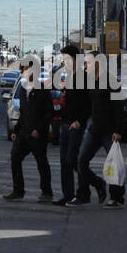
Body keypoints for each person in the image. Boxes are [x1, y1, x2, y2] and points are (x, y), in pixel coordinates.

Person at [73, 56, 126, 205]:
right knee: (81, 160)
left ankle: (117, 198)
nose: (85, 65)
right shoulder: (91, 82)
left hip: (109, 131)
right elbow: (89, 107)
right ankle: (83, 195)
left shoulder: (111, 81)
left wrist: (118, 130)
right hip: (94, 129)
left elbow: (118, 108)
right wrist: (80, 121)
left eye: (88, 63)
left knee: (114, 164)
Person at [3, 59, 52, 201]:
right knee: (15, 158)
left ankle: (46, 193)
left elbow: (48, 113)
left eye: (26, 70)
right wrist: (15, 131)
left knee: (42, 163)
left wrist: (39, 129)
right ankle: (18, 191)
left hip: (37, 135)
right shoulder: (24, 90)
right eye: (22, 70)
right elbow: (23, 114)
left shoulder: (42, 90)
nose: (24, 73)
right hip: (24, 133)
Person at [55, 43, 91, 206]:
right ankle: (68, 195)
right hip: (65, 123)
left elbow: (88, 104)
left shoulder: (83, 77)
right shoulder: (69, 76)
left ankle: (96, 184)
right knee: (64, 163)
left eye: (67, 58)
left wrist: (79, 122)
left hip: (75, 125)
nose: (65, 61)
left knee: (72, 161)